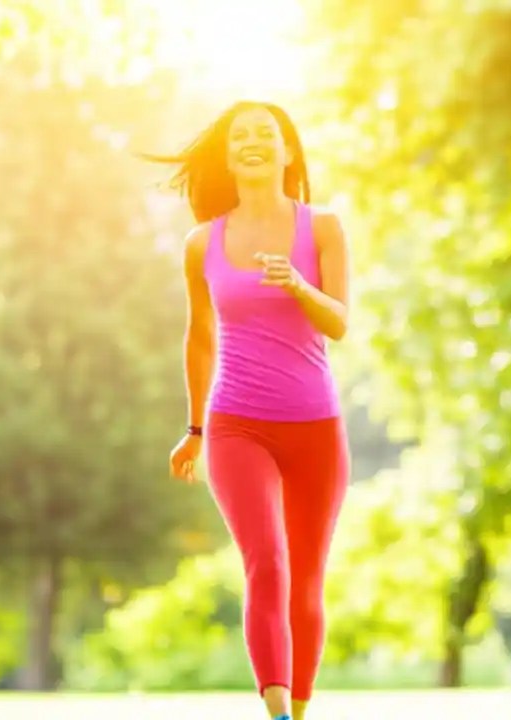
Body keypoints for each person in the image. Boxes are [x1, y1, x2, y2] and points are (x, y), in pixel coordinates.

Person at [155, 100, 351, 720]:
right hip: (237, 425)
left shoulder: (322, 228)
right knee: (266, 561)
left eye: (266, 134)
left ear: (287, 152)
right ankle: (272, 713)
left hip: (316, 427)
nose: (253, 142)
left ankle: (298, 709)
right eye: (241, 135)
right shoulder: (201, 244)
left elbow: (340, 323)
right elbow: (200, 337)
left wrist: (297, 283)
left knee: (307, 579)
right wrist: (193, 429)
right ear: (228, 155)